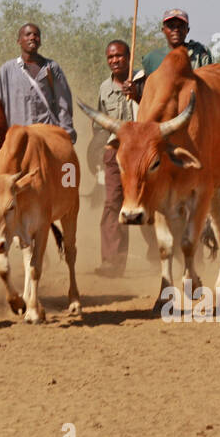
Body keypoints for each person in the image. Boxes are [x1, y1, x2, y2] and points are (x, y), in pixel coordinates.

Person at [89, 40, 136, 277]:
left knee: (146, 203)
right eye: (110, 57)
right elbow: (99, 124)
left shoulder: (142, 83)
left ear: (129, 57)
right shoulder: (104, 88)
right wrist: (100, 151)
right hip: (114, 153)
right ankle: (112, 262)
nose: (115, 60)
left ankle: (160, 255)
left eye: (119, 56)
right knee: (112, 204)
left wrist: (136, 94)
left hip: (139, 154)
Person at [0, 22, 76, 143]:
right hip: (18, 139)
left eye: (36, 35)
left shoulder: (52, 68)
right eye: (27, 34)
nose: (32, 37)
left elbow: (63, 104)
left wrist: (66, 134)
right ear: (19, 41)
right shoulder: (7, 70)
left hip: (48, 137)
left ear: (40, 41)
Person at [135, 9, 213, 101]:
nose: (176, 30)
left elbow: (210, 85)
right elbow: (147, 95)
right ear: (163, 30)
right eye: (171, 26)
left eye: (180, 26)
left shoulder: (199, 53)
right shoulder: (152, 58)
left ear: (187, 30)